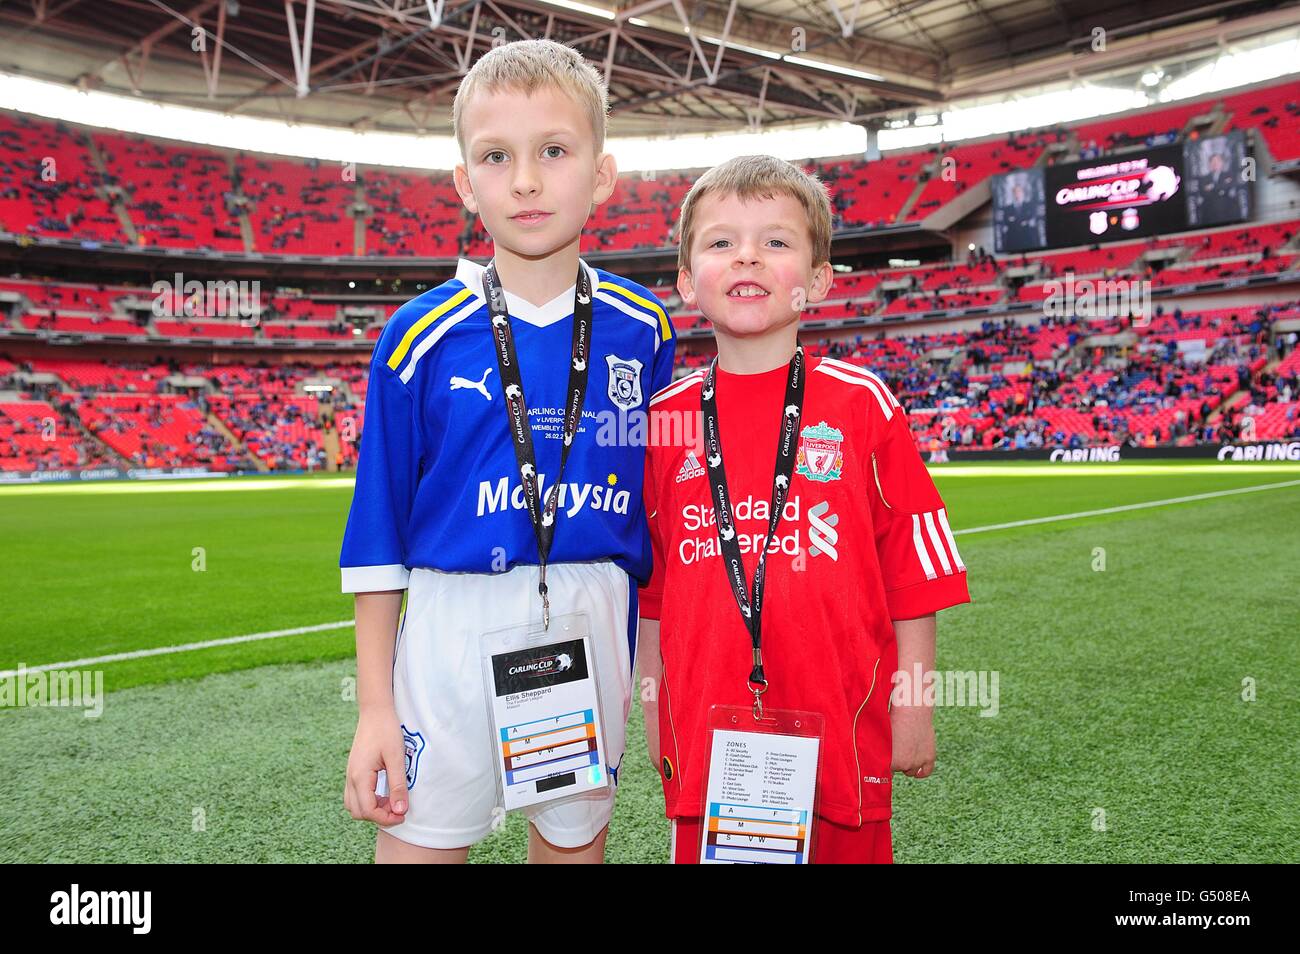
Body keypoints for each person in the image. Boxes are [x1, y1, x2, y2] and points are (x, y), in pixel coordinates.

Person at [339, 38, 676, 864]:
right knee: (417, 846)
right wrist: (375, 707)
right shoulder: (417, 336)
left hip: (590, 617)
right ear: (465, 182)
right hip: (450, 620)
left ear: (602, 174)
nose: (525, 180)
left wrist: (658, 675)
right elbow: (378, 532)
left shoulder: (644, 328)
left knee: (571, 848)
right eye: (497, 157)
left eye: (554, 151)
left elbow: (661, 521)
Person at [637, 155, 969, 864]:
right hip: (710, 743)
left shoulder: (863, 403)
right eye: (721, 242)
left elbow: (916, 577)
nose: (747, 256)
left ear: (817, 280)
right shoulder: (663, 420)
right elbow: (654, 593)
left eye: (776, 241)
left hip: (842, 735)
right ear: (687, 281)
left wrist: (914, 704)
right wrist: (652, 705)